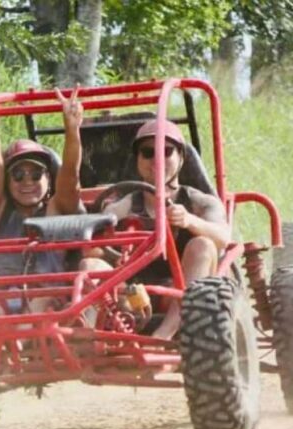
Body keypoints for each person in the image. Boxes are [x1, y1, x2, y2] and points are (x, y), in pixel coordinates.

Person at [81, 119, 230, 340]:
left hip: (184, 293)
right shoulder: (122, 206)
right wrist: (108, 246)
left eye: (166, 151)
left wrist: (189, 221)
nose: (157, 159)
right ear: (138, 160)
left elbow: (224, 238)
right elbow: (92, 248)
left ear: (181, 157)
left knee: (203, 246)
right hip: (132, 294)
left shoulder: (200, 202)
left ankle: (165, 334)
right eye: (148, 152)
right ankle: (90, 338)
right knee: (89, 264)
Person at [0, 76, 84, 279]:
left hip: (49, 301)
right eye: (18, 174)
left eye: (36, 174)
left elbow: (70, 177)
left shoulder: (56, 209)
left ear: (49, 179)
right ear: (7, 181)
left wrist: (72, 131)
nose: (27, 181)